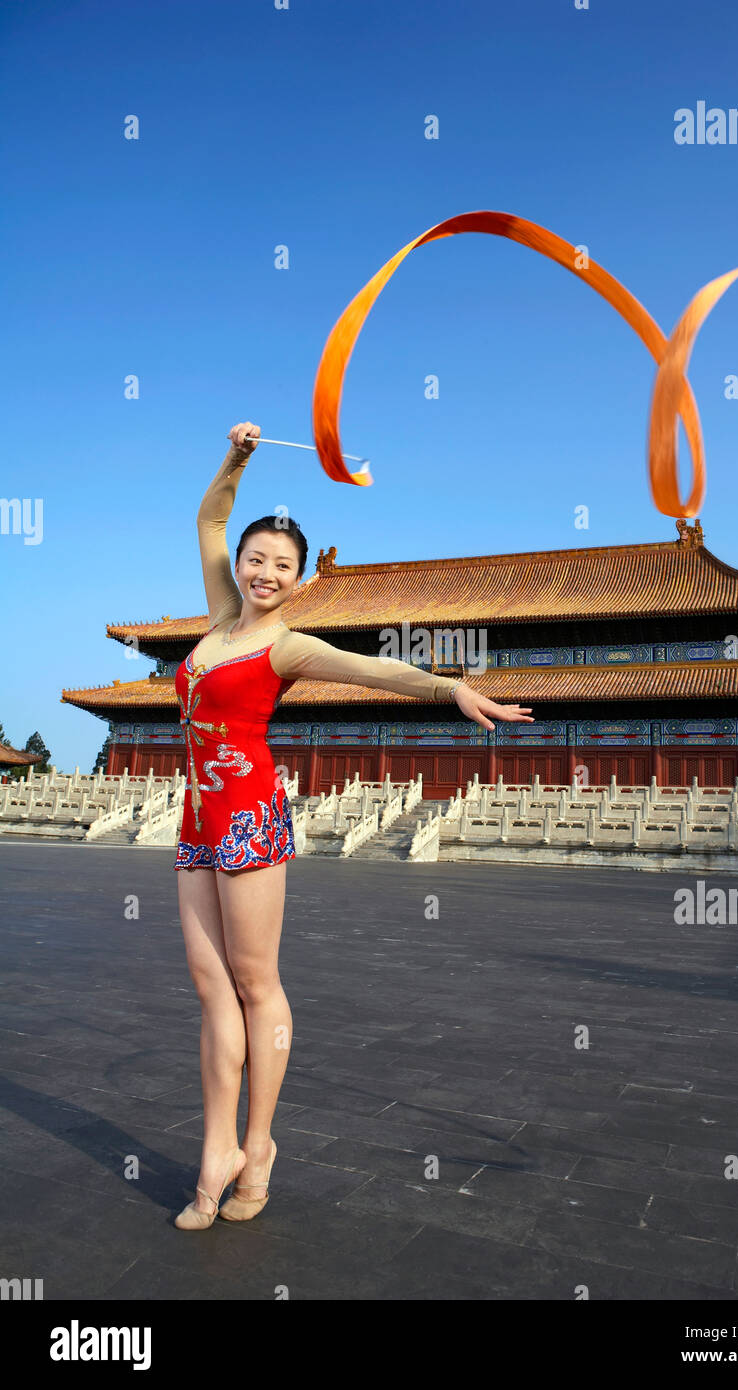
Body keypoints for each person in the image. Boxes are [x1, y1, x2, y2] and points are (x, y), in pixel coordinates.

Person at [174, 421, 534, 1229]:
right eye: (255, 558)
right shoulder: (218, 620)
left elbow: (377, 669)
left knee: (255, 984)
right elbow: (206, 520)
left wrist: (450, 692)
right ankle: (217, 1147)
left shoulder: (285, 646)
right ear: (241, 566)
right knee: (208, 987)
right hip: (197, 818)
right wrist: (237, 460)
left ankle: (255, 1145)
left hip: (250, 819)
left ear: (299, 582)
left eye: (282, 566)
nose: (265, 572)